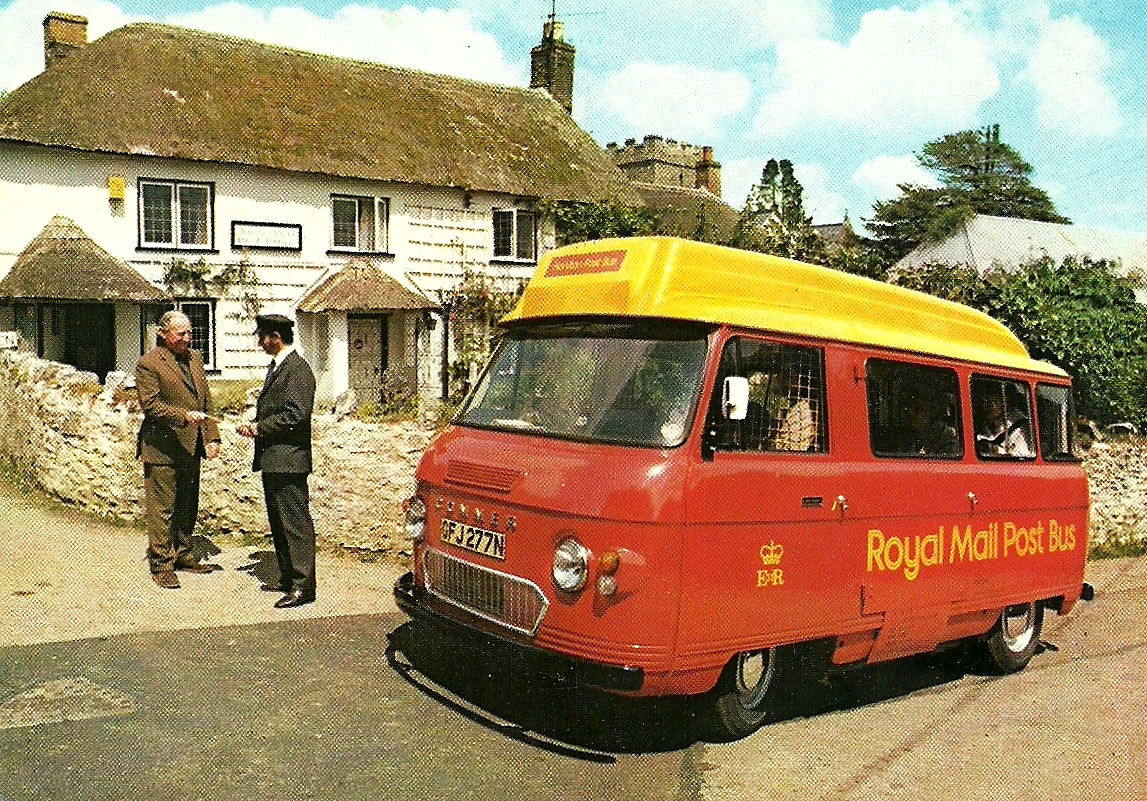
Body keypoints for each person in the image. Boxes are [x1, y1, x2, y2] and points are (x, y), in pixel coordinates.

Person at [135, 310, 222, 589]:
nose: (187, 338)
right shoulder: (148, 364)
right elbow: (150, 405)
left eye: (189, 332)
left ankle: (183, 554)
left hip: (190, 446)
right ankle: (162, 565)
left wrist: (212, 437)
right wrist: (183, 416)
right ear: (163, 334)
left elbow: (205, 399)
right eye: (180, 333)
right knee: (163, 509)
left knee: (187, 504)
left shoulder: (194, 358)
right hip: (162, 448)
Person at [237, 314, 318, 608]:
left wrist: (260, 428)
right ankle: (289, 577)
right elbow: (279, 411)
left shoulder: (297, 369)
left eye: (262, 337)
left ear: (276, 337)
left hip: (289, 460)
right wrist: (254, 422)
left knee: (294, 524)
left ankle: (303, 585)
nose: (260, 343)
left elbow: (297, 415)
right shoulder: (279, 367)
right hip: (275, 459)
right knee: (279, 523)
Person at [975, 391, 1034, 457]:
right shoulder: (983, 427)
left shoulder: (1021, 424)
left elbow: (1028, 455)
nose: (984, 406)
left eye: (989, 402)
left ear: (1003, 402)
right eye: (982, 402)